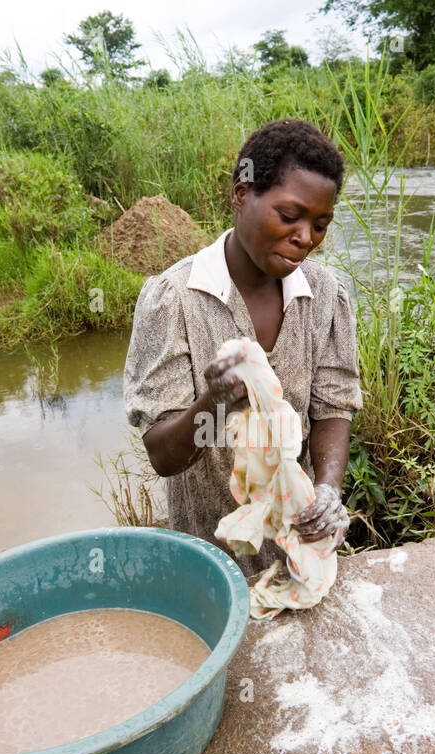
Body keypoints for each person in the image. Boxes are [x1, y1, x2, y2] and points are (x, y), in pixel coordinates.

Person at [123, 118, 362, 579]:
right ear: (241, 194)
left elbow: (333, 408)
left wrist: (328, 491)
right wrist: (214, 403)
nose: (305, 238)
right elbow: (162, 455)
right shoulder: (174, 299)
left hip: (298, 550)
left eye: (321, 224)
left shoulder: (326, 295)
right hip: (209, 560)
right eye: (289, 217)